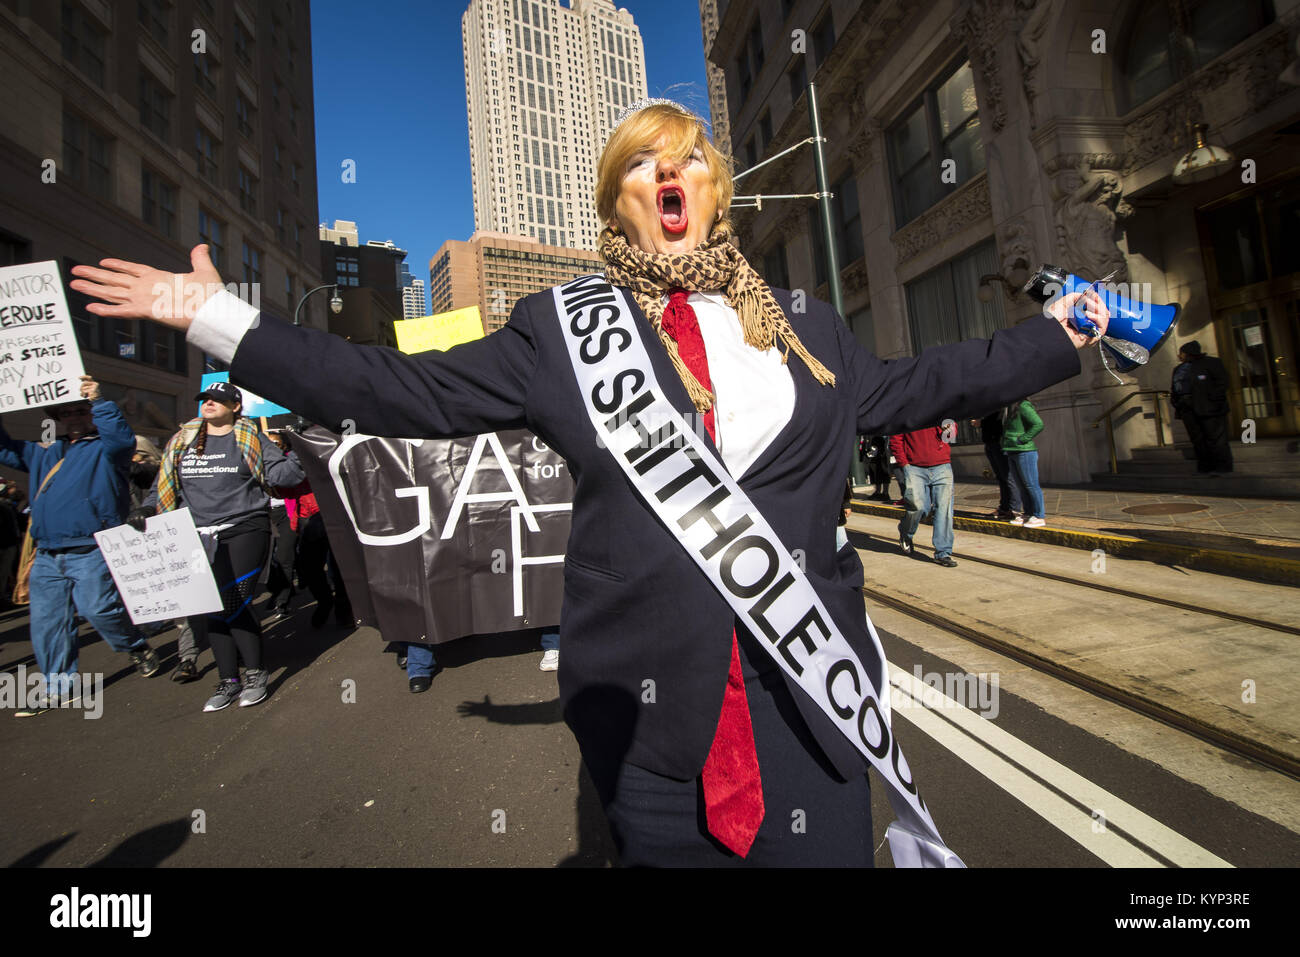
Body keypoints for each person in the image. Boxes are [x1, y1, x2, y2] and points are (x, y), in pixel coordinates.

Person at [69, 100, 1108, 866]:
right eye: (644, 165)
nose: (672, 175)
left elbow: (923, 381)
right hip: (657, 733)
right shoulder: (562, 335)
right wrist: (216, 320)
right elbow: (391, 389)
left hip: (813, 711)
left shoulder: (808, 326)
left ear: (713, 190)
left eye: (691, 161)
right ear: (619, 199)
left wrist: (1059, 335)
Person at [133, 382, 304, 711]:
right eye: (205, 399)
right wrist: (144, 509)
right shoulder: (182, 440)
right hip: (196, 533)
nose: (209, 403)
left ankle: (255, 674)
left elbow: (284, 475)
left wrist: (300, 444)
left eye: (218, 399)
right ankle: (228, 680)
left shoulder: (250, 438)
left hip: (245, 528)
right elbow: (164, 485)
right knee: (211, 607)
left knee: (234, 601)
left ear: (236, 406)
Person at [0, 376, 161, 713]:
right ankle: (59, 686)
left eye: (80, 410)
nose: (73, 416)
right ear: (57, 417)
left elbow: (121, 438)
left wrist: (100, 401)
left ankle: (134, 644)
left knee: (99, 609)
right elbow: (5, 448)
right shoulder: (44, 450)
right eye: (66, 412)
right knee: (47, 624)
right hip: (47, 554)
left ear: (90, 413)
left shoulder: (108, 449)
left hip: (91, 549)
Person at [891, 426, 957, 567]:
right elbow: (896, 438)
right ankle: (906, 533)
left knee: (944, 510)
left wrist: (947, 429)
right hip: (914, 467)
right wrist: (904, 463)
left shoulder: (943, 408)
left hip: (942, 466)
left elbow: (950, 437)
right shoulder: (906, 408)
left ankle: (943, 552)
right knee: (918, 508)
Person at [1171, 340, 1233, 474]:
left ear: (1188, 353)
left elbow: (1222, 383)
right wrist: (1177, 402)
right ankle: (1205, 467)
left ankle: (1222, 466)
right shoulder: (1179, 369)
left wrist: (1212, 399)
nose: (1179, 355)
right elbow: (1175, 389)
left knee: (1215, 438)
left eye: (1181, 353)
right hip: (1187, 409)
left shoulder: (1211, 363)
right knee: (1197, 440)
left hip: (1210, 408)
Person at [1002, 398, 1046, 528]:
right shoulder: (1008, 408)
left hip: (1024, 451)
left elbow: (1038, 424)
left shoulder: (1023, 406)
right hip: (1011, 450)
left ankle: (1039, 515)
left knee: (1031, 484)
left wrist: (1022, 439)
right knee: (1021, 485)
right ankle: (1028, 513)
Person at [973, 411, 1022, 521]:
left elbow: (996, 420)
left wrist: (981, 422)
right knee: (1001, 477)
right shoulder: (987, 405)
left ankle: (1015, 509)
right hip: (990, 442)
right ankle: (1004, 507)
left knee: (1008, 477)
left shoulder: (997, 404)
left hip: (998, 442)